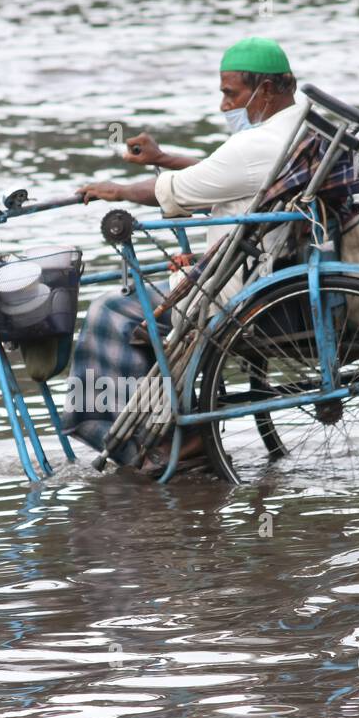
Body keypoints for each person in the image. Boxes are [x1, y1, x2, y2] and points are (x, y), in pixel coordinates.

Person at [61, 37, 308, 471]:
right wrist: (164, 157)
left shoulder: (257, 145)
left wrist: (115, 191)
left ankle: (160, 440)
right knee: (145, 293)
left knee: (111, 310)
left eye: (230, 93)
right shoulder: (297, 127)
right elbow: (226, 175)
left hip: (236, 288)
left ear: (265, 89)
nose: (223, 105)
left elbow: (176, 191)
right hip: (255, 265)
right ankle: (166, 423)